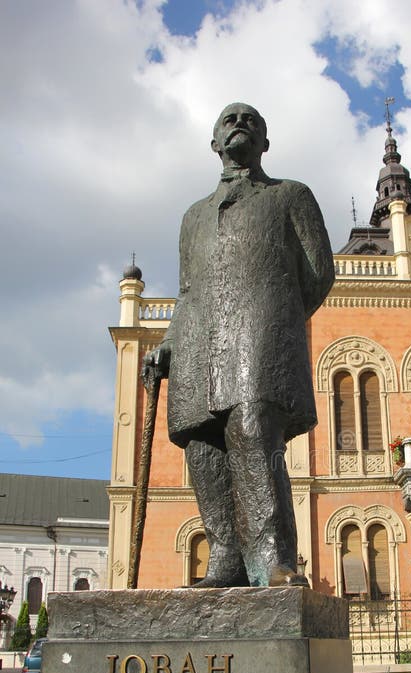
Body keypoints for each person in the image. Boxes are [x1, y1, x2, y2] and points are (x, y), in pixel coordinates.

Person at [143, 102, 334, 588]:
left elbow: (318, 274)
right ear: (214, 142)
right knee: (203, 447)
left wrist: (275, 320)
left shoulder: (290, 195)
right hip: (197, 344)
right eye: (230, 120)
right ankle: (226, 560)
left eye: (251, 120)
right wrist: (168, 343)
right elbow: (186, 291)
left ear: (265, 143)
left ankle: (273, 562)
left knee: (253, 433)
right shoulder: (193, 216)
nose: (240, 125)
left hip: (259, 336)